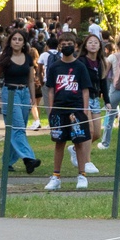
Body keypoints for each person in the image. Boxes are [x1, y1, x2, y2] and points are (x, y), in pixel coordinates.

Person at [42, 36, 94, 190]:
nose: (66, 46)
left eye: (69, 44)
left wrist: (84, 110)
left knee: (78, 142)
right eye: (63, 44)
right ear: (59, 47)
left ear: (75, 46)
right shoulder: (55, 67)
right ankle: (56, 176)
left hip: (76, 109)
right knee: (59, 143)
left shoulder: (80, 66)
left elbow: (85, 90)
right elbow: (51, 90)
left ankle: (82, 175)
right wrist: (51, 109)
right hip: (59, 109)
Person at [0, 34, 40, 174]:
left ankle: (7, 162)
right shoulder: (5, 58)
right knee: (18, 128)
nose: (17, 42)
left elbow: (31, 80)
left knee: (15, 129)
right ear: (10, 42)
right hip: (10, 93)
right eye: (14, 39)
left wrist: (32, 98)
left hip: (24, 93)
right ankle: (29, 159)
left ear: (24, 43)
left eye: (20, 39)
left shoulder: (28, 58)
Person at [100, 35, 120, 151]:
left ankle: (105, 143)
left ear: (116, 45)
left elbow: (104, 74)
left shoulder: (112, 57)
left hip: (115, 88)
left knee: (110, 115)